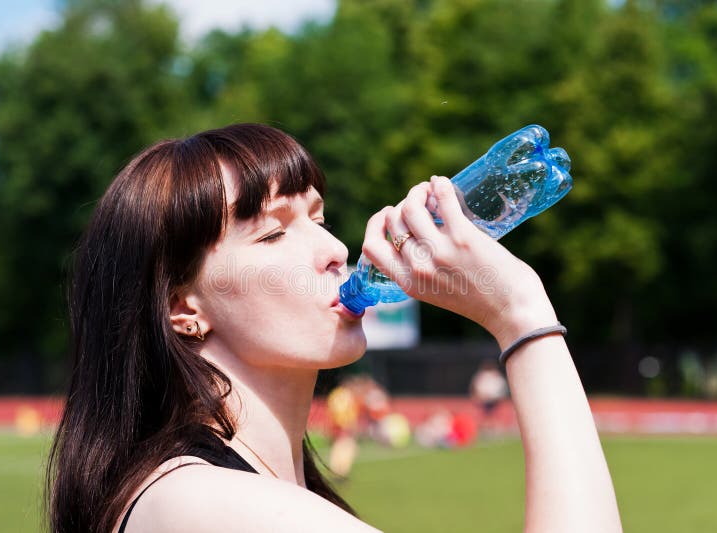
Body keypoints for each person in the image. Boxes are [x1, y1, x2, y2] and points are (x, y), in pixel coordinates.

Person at [46, 123, 622, 533]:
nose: (332, 249)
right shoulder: (197, 503)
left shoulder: (260, 493)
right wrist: (522, 316)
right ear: (182, 307)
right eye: (273, 233)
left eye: (318, 219)